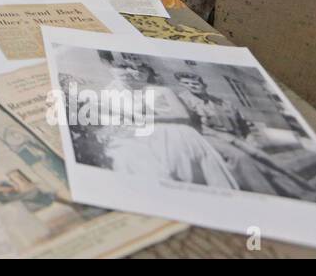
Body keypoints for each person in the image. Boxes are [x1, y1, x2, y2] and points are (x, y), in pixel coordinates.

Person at [173, 72, 316, 200]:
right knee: (244, 159)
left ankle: (304, 191)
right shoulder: (184, 102)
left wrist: (250, 140)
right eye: (186, 83)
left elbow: (245, 125)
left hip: (238, 139)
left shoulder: (223, 103)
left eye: (195, 83)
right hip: (212, 142)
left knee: (266, 160)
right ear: (181, 85)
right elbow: (192, 127)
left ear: (204, 84)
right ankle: (270, 200)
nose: (192, 86)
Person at [99, 60, 237, 188]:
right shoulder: (135, 94)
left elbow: (183, 116)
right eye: (134, 73)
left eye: (142, 72)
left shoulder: (163, 90)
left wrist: (146, 119)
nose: (137, 75)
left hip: (172, 130)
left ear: (149, 75)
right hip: (149, 131)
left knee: (180, 165)